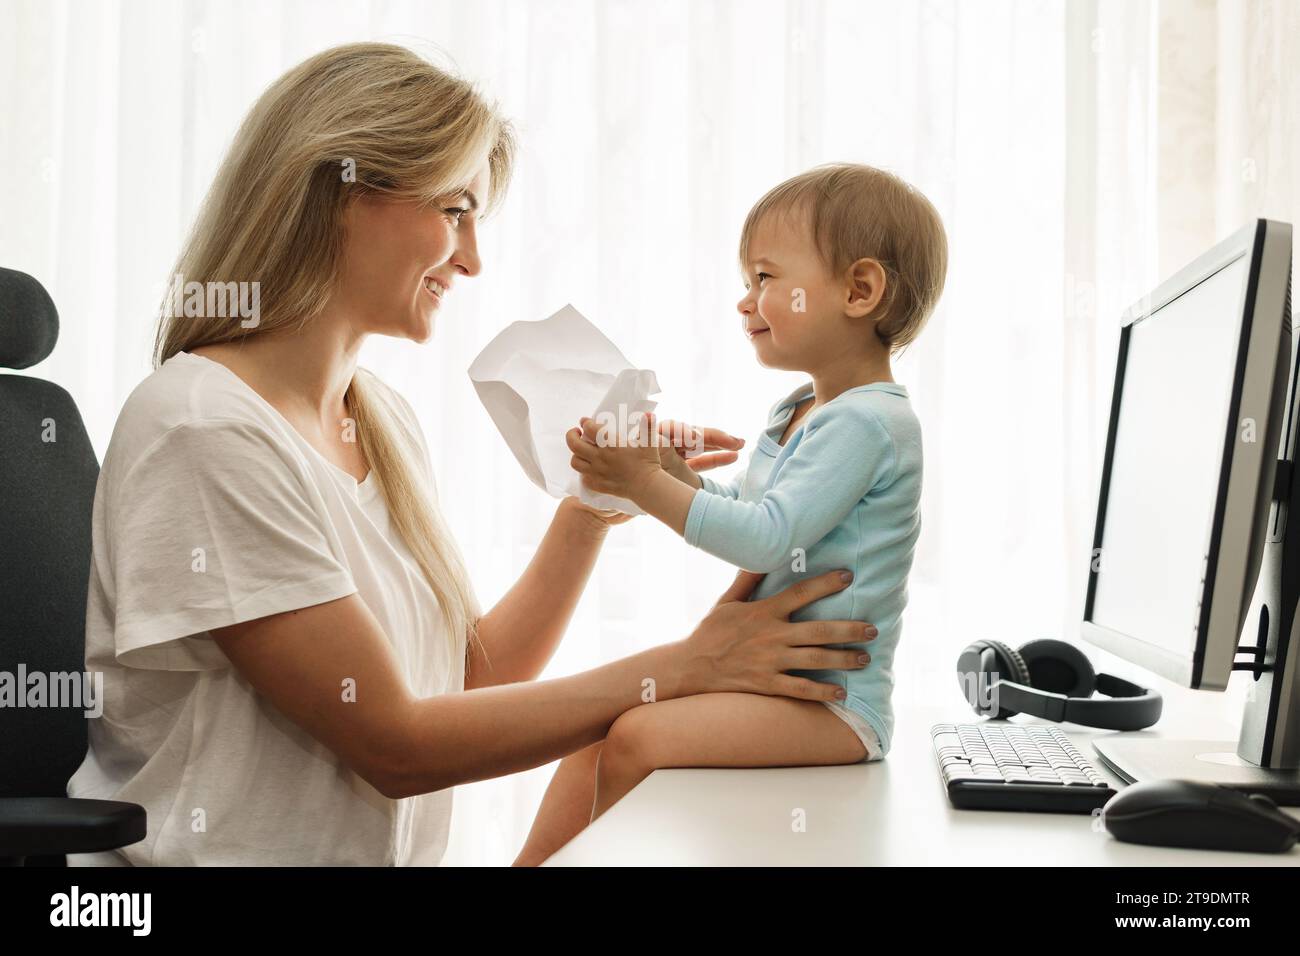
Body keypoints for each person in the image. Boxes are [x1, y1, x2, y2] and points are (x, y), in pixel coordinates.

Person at [65, 42, 872, 866]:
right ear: (335, 193)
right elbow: (396, 744)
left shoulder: (375, 417)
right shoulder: (205, 428)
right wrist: (691, 665)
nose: (473, 258)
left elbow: (465, 683)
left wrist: (591, 510)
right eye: (454, 210)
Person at [534, 163, 946, 863]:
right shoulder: (799, 412)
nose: (743, 300)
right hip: (786, 690)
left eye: (762, 278)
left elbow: (767, 541)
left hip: (838, 710)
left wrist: (644, 486)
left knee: (636, 738)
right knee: (594, 743)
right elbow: (752, 510)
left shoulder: (869, 424)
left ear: (860, 290)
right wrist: (665, 472)